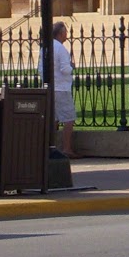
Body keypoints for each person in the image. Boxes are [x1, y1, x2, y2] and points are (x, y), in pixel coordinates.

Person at [50, 21, 75, 156]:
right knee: (68, 118)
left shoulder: (46, 48)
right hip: (62, 88)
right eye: (65, 32)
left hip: (51, 87)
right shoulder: (61, 49)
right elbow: (65, 69)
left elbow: (40, 69)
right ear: (60, 34)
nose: (67, 34)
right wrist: (72, 67)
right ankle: (67, 148)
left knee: (54, 118)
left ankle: (53, 147)